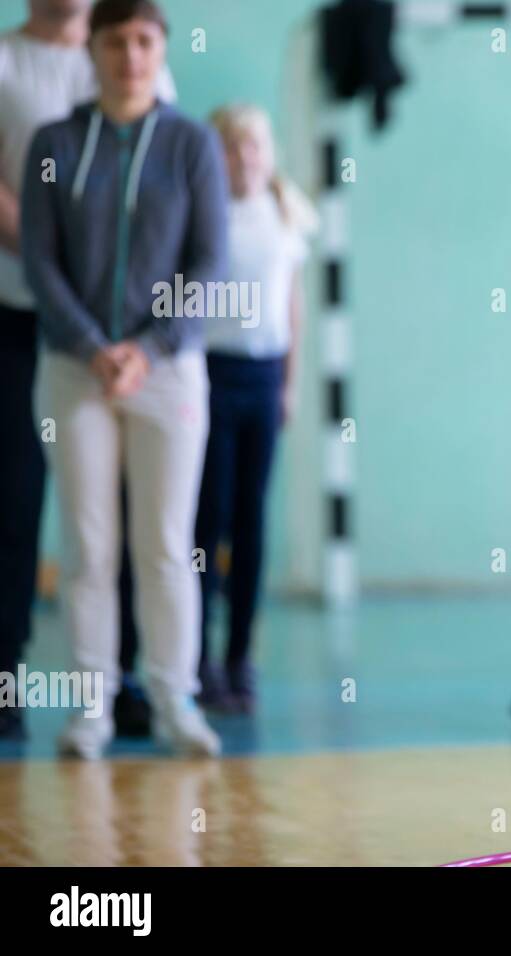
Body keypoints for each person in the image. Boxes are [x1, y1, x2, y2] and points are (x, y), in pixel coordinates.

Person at [21, 0, 226, 757]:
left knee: (167, 545)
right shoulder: (53, 142)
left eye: (144, 41)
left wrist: (146, 346)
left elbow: (208, 261)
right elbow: (38, 260)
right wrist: (92, 345)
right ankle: (91, 708)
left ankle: (176, 700)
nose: (130, 56)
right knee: (87, 545)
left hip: (168, 370)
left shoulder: (191, 143)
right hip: (74, 370)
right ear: (94, 51)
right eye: (115, 42)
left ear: (160, 48)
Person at [0, 0, 174, 742]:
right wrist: (57, 269)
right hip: (19, 309)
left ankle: (125, 677)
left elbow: (164, 189)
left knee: (133, 512)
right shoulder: (6, 61)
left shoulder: (138, 60)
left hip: (122, 334)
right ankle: (7, 675)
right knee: (13, 500)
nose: (128, 55)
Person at [195, 104, 315, 714]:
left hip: (264, 378)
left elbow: (291, 305)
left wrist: (290, 384)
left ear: (268, 154)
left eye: (254, 148)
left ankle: (241, 657)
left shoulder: (285, 210)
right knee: (206, 519)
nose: (244, 159)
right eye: (231, 148)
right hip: (211, 375)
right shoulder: (203, 210)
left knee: (251, 520)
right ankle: (198, 659)